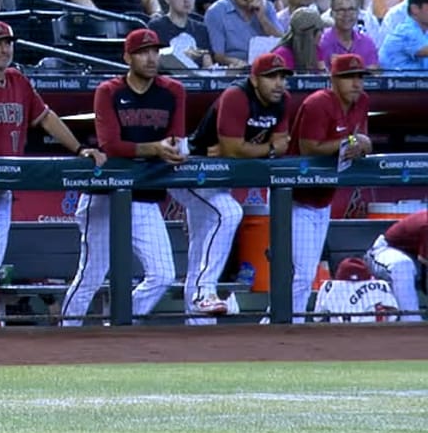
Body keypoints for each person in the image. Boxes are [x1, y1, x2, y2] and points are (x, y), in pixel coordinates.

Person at [0, 20, 101, 323]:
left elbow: (47, 118)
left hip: (4, 188)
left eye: (8, 43)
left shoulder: (18, 81)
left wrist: (80, 148)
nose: (4, 49)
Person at [59, 29, 184, 326]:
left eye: (155, 51)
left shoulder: (173, 91)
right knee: (92, 273)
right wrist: (155, 148)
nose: (151, 58)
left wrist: (172, 148)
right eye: (142, 52)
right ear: (127, 57)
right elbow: (111, 145)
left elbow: (176, 139)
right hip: (104, 194)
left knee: (163, 274)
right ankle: (66, 329)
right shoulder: (110, 91)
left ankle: (121, 321)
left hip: (144, 195)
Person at [177, 51, 292, 323]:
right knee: (229, 213)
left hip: (218, 177)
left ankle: (196, 322)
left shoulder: (283, 101)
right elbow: (233, 150)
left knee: (200, 244)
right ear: (254, 79)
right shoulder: (236, 95)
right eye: (271, 77)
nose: (278, 83)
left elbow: (281, 145)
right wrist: (266, 149)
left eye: (282, 76)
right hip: (190, 166)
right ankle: (205, 291)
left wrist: (248, 149)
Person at [287, 53, 371, 322]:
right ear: (333, 80)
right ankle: (284, 323)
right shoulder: (318, 103)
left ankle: (282, 321)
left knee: (306, 271)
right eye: (348, 77)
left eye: (359, 77)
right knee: (301, 273)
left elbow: (363, 138)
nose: (356, 83)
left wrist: (362, 144)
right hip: (293, 198)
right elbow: (309, 148)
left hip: (323, 198)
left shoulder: (362, 101)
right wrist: (351, 141)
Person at [205, 0, 282, 68]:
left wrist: (262, 18)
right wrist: (241, 64)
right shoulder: (216, 12)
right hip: (237, 68)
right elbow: (218, 55)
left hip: (268, 66)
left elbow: (282, 42)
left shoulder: (267, 7)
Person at [366, 209, 428, 322]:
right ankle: (411, 321)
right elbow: (424, 260)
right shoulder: (426, 224)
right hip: (385, 251)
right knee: (402, 266)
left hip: (415, 257)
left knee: (406, 264)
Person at [318, 0, 379, 70]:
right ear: (332, 13)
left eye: (351, 9)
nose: (346, 14)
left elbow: (373, 74)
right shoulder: (321, 42)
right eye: (341, 10)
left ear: (358, 13)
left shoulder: (367, 43)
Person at [272, 5, 323, 73]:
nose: (321, 33)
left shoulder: (317, 50)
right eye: (317, 30)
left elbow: (323, 75)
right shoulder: (281, 55)